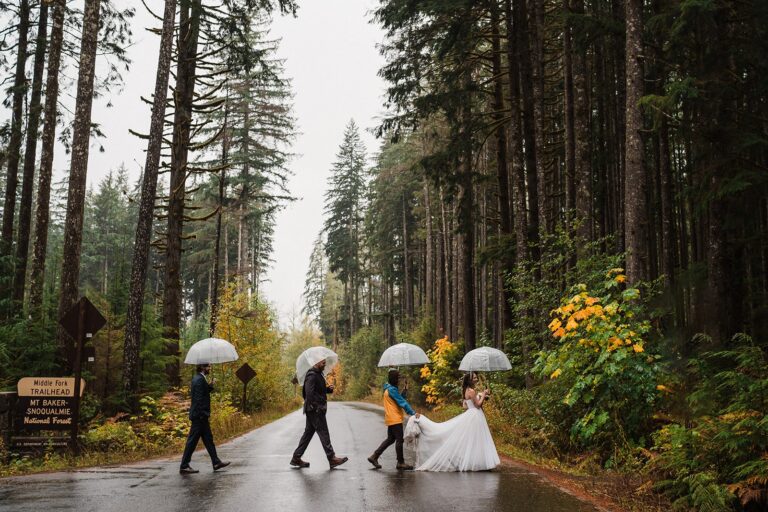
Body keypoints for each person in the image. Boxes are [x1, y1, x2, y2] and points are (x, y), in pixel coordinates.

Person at [404, 371, 500, 472]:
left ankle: (476, 462)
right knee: (476, 439)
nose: (476, 379)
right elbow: (478, 405)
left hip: (472, 415)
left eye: (476, 377)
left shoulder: (467, 390)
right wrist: (483, 394)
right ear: (470, 380)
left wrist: (480, 395)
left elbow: (465, 405)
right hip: (475, 416)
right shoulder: (471, 391)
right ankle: (478, 462)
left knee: (473, 440)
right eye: (474, 378)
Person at [290, 358, 348, 469]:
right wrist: (315, 406)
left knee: (308, 434)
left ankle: (296, 458)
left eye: (325, 362)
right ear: (316, 363)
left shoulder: (319, 374)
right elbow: (309, 392)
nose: (324, 364)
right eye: (323, 362)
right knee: (324, 432)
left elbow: (319, 390)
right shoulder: (311, 375)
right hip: (315, 409)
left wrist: (329, 389)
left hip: (315, 409)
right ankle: (332, 458)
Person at [180, 363, 230, 474]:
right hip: (199, 416)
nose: (210, 368)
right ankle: (184, 466)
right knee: (192, 441)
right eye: (208, 366)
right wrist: (202, 414)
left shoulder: (200, 378)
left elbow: (202, 393)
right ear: (202, 367)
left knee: (208, 440)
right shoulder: (199, 380)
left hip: (201, 416)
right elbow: (198, 399)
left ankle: (216, 462)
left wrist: (210, 385)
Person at [368, 369, 420, 470]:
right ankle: (400, 462)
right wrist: (413, 413)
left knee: (390, 439)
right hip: (395, 418)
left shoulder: (389, 388)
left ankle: (374, 456)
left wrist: (405, 390)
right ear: (394, 379)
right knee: (399, 440)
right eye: (398, 378)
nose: (399, 380)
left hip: (390, 417)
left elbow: (399, 399)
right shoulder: (392, 390)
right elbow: (402, 403)